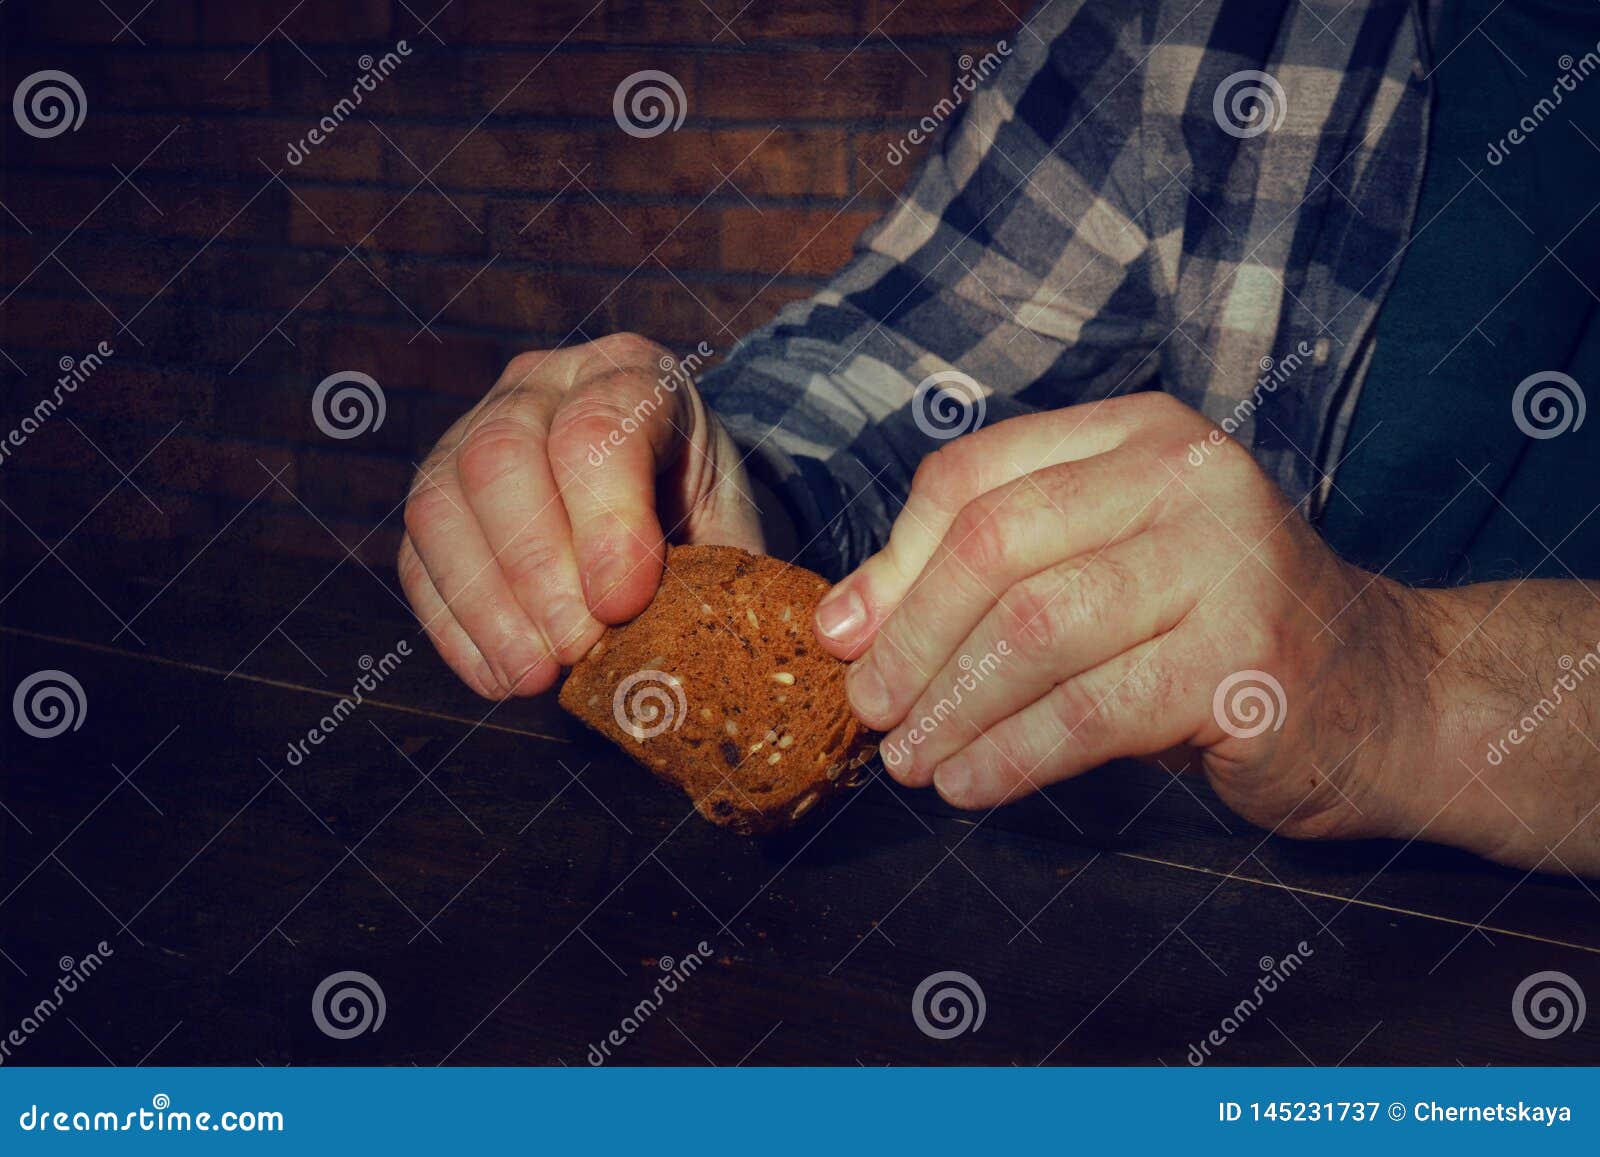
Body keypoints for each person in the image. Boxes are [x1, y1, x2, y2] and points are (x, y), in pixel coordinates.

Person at [396, 0, 1600, 875]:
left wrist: (1406, 687)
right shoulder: (1221, 26)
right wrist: (713, 481)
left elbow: (1387, 680)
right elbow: (907, 349)